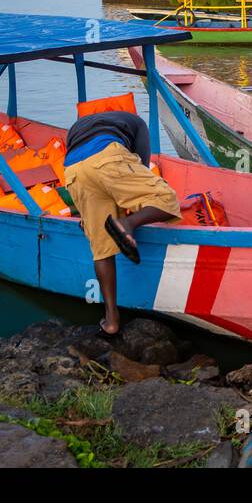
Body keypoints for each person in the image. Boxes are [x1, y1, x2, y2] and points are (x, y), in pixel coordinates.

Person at [62, 110, 182, 335]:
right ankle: (127, 225)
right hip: (109, 158)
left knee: (101, 249)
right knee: (166, 199)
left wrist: (86, 217)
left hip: (73, 171)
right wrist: (135, 211)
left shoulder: (76, 129)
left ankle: (111, 320)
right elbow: (141, 166)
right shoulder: (137, 123)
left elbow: (85, 169)